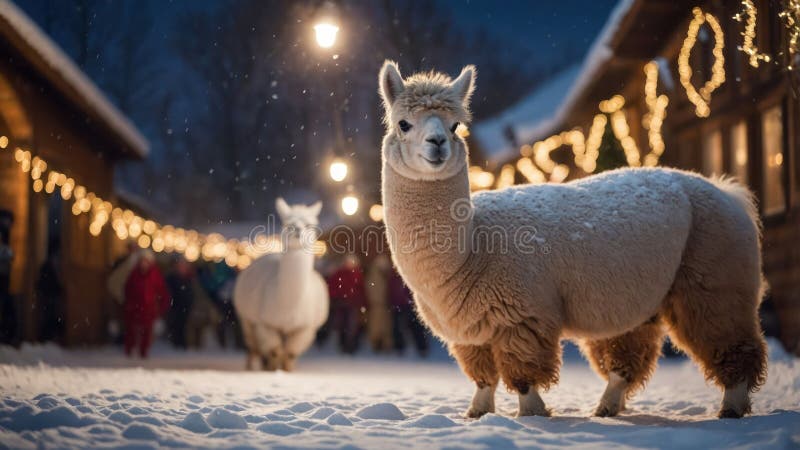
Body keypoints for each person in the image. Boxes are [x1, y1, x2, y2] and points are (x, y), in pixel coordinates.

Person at [123, 250, 170, 358]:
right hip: (134, 307)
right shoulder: (134, 274)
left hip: (149, 308)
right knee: (131, 330)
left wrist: (162, 306)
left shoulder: (155, 275)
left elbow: (162, 291)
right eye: (142, 261)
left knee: (147, 331)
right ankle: (129, 349)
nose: (144, 263)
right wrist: (129, 303)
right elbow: (128, 289)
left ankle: (143, 351)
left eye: (146, 261)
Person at [326, 255, 367, 354]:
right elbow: (332, 287)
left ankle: (350, 346)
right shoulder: (339, 274)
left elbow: (361, 290)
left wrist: (362, 302)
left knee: (352, 326)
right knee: (342, 325)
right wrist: (336, 297)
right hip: (341, 304)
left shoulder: (357, 274)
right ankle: (343, 345)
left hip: (352, 304)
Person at [388, 269, 429, 357]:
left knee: (416, 327)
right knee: (398, 328)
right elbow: (393, 292)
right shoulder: (395, 277)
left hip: (408, 306)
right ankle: (400, 348)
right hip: (399, 306)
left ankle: (421, 348)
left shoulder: (407, 276)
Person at [35, 239, 63, 343]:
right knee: (49, 315)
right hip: (48, 295)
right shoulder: (48, 265)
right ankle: (46, 337)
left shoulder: (53, 265)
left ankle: (49, 336)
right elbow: (46, 281)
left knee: (51, 315)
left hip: (51, 295)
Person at [364, 254, 393, 352]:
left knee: (385, 326)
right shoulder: (374, 276)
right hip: (376, 304)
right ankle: (376, 344)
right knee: (376, 325)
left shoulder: (387, 275)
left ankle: (385, 344)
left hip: (386, 305)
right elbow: (371, 289)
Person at [165, 257, 195, 349]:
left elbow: (192, 292)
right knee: (176, 325)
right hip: (175, 306)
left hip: (186, 306)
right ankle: (177, 343)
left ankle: (184, 343)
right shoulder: (172, 278)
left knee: (184, 326)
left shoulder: (189, 277)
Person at [0, 210, 17, 345]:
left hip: (4, 279)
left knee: (7, 307)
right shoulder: (3, 234)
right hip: (2, 278)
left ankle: (7, 336)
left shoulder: (6, 235)